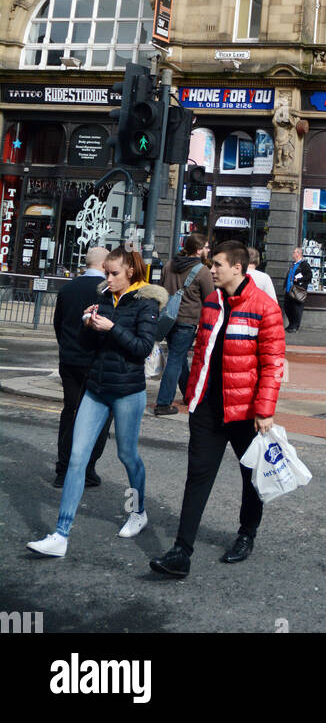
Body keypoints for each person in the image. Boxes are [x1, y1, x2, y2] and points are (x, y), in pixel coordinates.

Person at [149, 239, 285, 577]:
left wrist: (265, 410)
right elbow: (201, 354)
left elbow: (272, 364)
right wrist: (192, 396)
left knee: (251, 476)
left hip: (246, 413)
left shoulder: (265, 307)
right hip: (207, 407)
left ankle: (246, 533)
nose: (212, 269)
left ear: (237, 268)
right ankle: (181, 552)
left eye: (218, 265)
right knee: (197, 476)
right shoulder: (211, 303)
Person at [28, 247, 167, 557]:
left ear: (130, 272)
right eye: (105, 272)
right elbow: (91, 345)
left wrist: (112, 328)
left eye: (113, 273)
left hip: (128, 390)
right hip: (96, 387)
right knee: (77, 458)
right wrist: (88, 325)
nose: (107, 278)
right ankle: (60, 534)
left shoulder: (147, 303)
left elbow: (143, 347)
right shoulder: (104, 298)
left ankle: (138, 510)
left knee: (127, 455)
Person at [52, 245, 111, 488]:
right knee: (99, 417)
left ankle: (63, 468)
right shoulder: (106, 291)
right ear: (106, 265)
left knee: (71, 411)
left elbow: (58, 324)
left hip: (69, 360)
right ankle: (87, 469)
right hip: (95, 361)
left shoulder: (67, 288)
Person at [155, 233, 213, 416]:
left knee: (178, 358)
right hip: (187, 320)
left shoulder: (169, 265)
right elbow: (210, 298)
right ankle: (163, 403)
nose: (208, 250)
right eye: (206, 246)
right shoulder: (202, 271)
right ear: (198, 250)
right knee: (175, 360)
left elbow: (161, 289)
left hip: (168, 319)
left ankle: (189, 395)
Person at [284, 246, 313, 332]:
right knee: (287, 307)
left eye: (294, 252)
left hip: (297, 290)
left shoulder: (304, 265)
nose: (293, 254)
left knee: (296, 309)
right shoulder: (293, 264)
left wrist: (299, 279)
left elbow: (309, 276)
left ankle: (295, 326)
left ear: (298, 254)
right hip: (289, 290)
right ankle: (291, 324)